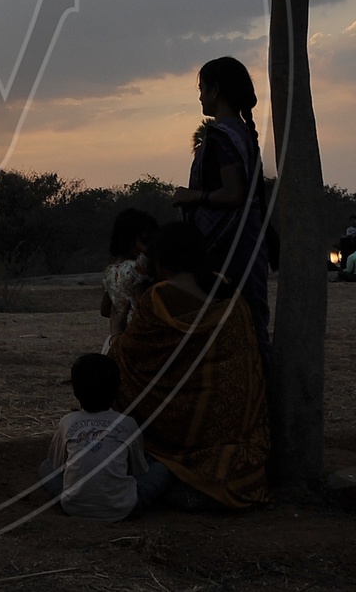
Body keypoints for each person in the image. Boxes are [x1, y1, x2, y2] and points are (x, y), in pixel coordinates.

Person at [110, 221, 271, 509]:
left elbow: (128, 362)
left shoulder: (157, 301)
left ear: (161, 259)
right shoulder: (230, 295)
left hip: (177, 431)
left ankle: (174, 472)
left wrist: (115, 333)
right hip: (234, 444)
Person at [171, 56, 272, 361]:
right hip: (247, 239)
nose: (200, 96)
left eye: (202, 88)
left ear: (215, 90)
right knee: (249, 318)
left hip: (229, 244)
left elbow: (233, 194)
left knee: (232, 318)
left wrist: (193, 197)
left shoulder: (222, 137)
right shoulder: (242, 135)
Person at [38, 353, 171, 521]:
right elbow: (137, 470)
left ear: (75, 390)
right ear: (118, 389)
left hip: (73, 507)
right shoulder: (128, 424)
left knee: (45, 467)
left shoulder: (68, 422)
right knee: (160, 469)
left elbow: (57, 464)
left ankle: (80, 497)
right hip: (123, 509)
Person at [99, 209, 156, 353]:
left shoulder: (110, 271)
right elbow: (143, 306)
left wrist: (118, 316)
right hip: (138, 334)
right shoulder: (137, 268)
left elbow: (105, 309)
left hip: (117, 333)